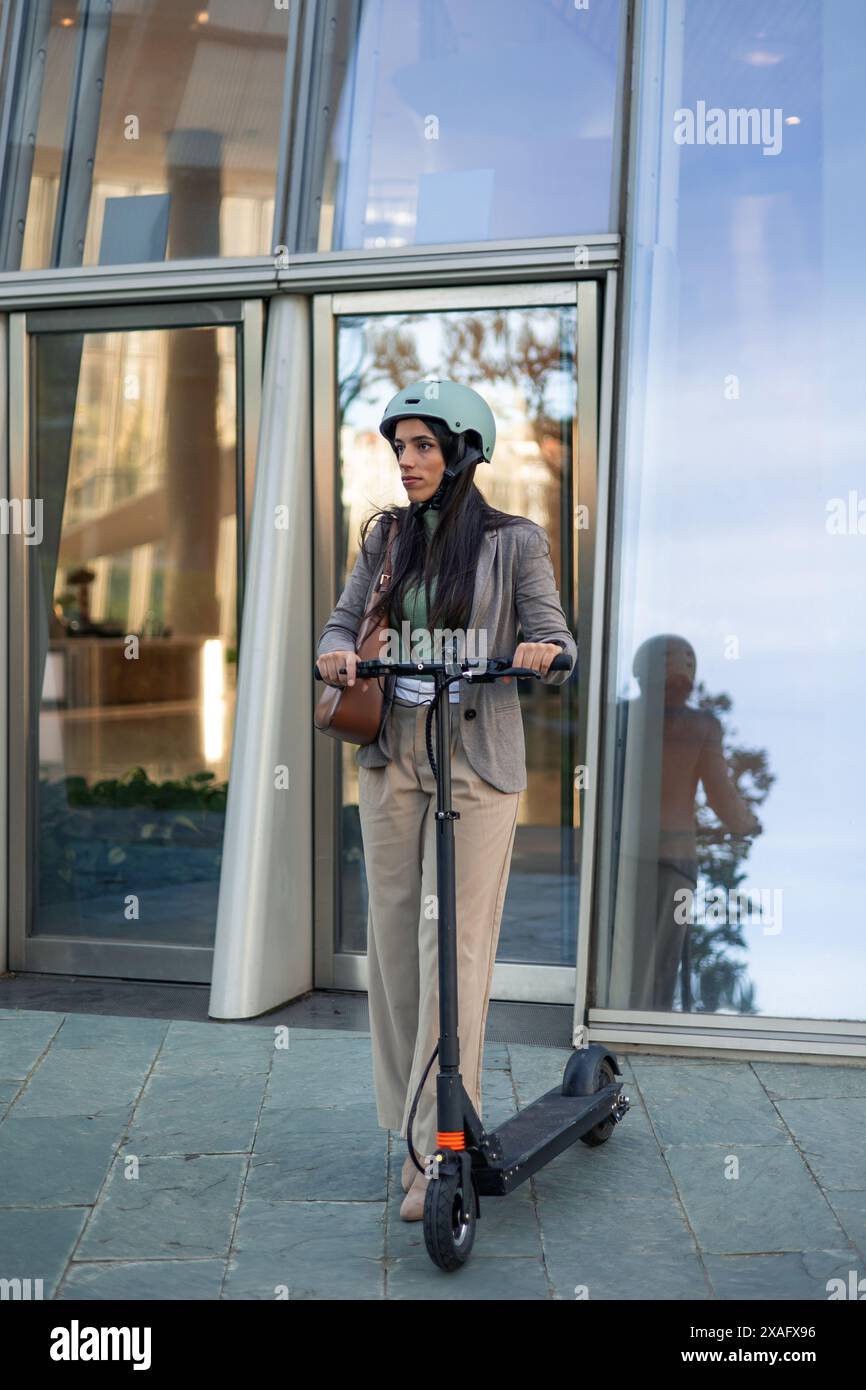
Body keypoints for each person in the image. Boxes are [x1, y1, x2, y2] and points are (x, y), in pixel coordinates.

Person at [315, 379, 576, 1220]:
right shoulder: (387, 539)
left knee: (452, 952)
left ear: (464, 449)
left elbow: (556, 634)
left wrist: (540, 651)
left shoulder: (514, 542)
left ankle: (439, 1151)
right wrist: (337, 654)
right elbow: (338, 622)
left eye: (424, 445)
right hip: (393, 757)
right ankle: (409, 1133)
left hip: (475, 761)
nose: (407, 460)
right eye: (400, 446)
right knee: (393, 947)